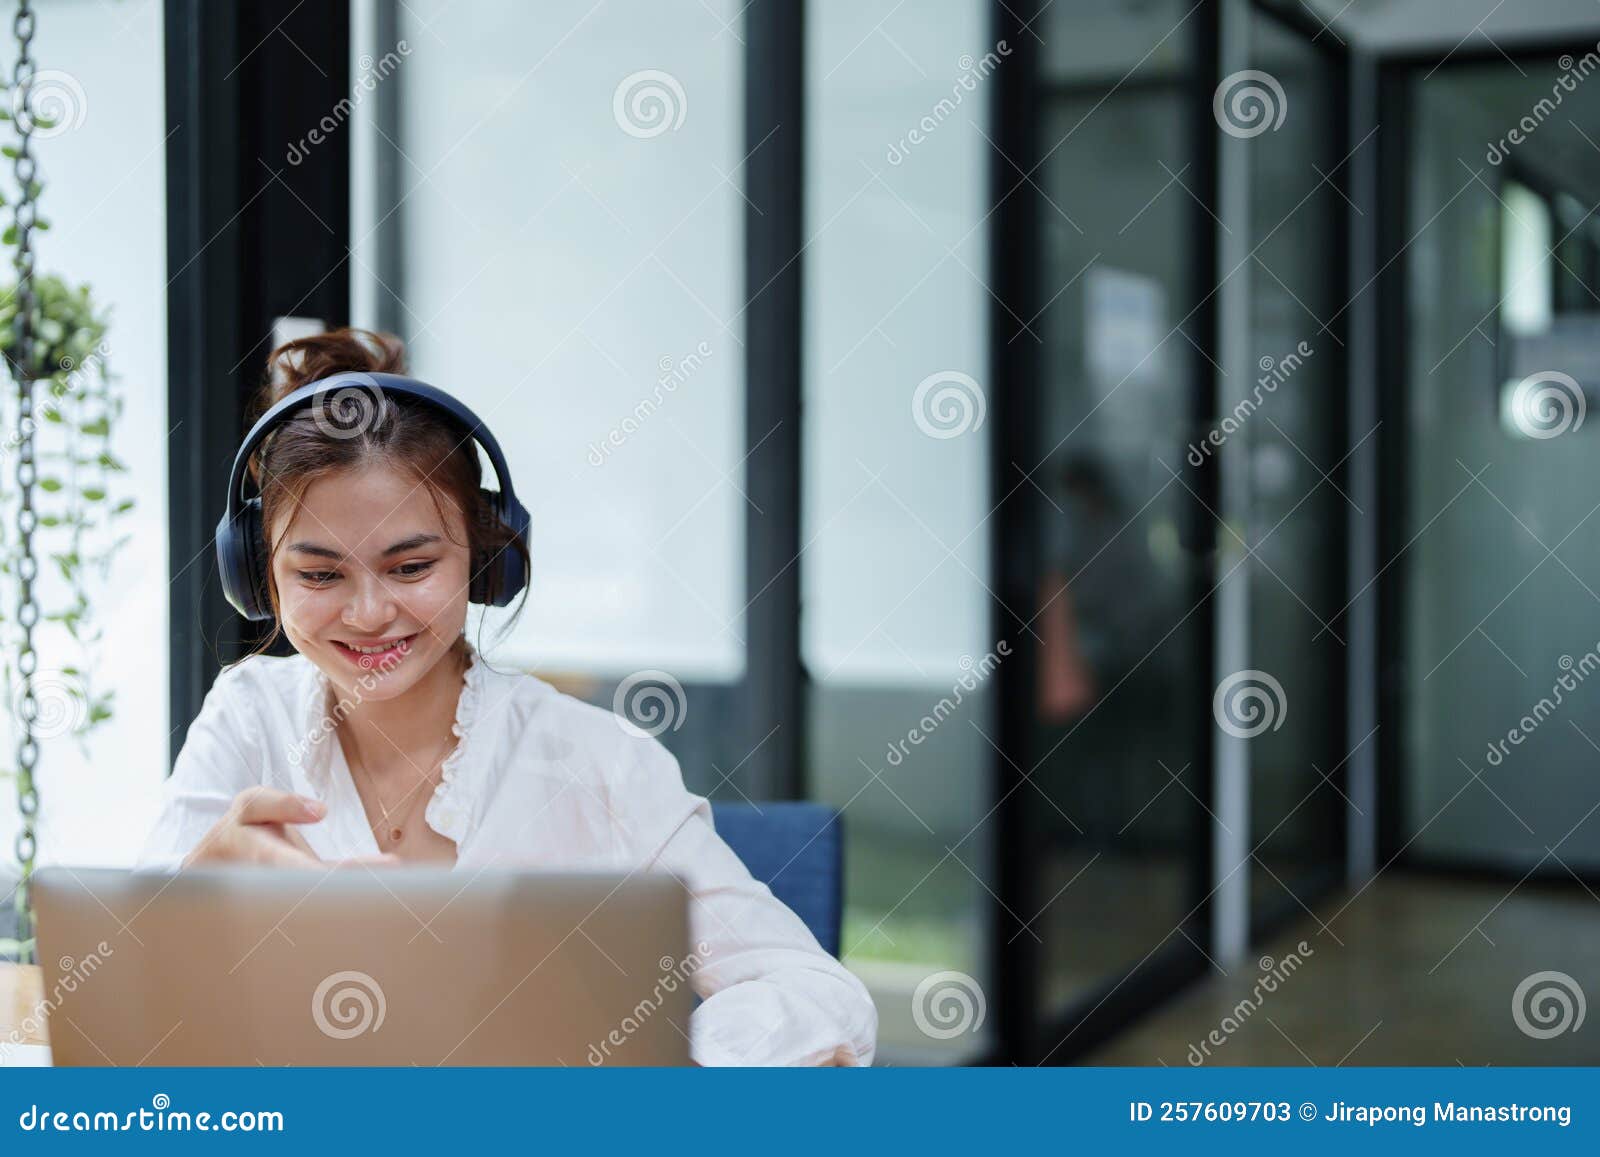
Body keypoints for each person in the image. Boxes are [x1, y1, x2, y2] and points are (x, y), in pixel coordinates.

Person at [135, 327, 877, 1067]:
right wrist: (191, 902)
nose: (366, 613)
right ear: (259, 576)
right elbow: (119, 1007)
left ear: (484, 560)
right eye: (320, 576)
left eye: (411, 565)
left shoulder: (598, 763)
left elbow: (820, 994)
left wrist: (641, 1083)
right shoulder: (249, 717)